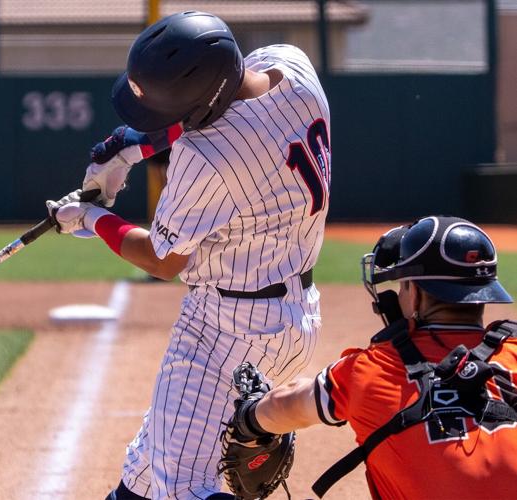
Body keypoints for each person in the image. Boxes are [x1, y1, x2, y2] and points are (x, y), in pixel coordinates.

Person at [47, 11, 331, 498]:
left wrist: (89, 218)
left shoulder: (207, 158)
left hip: (228, 329)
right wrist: (131, 146)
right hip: (291, 314)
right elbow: (231, 108)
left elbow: (162, 260)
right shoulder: (293, 67)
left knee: (181, 488)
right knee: (145, 471)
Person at [229, 216, 517, 499]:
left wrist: (249, 419)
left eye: (403, 285)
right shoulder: (513, 352)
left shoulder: (375, 367)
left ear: (415, 293)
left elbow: (285, 404)